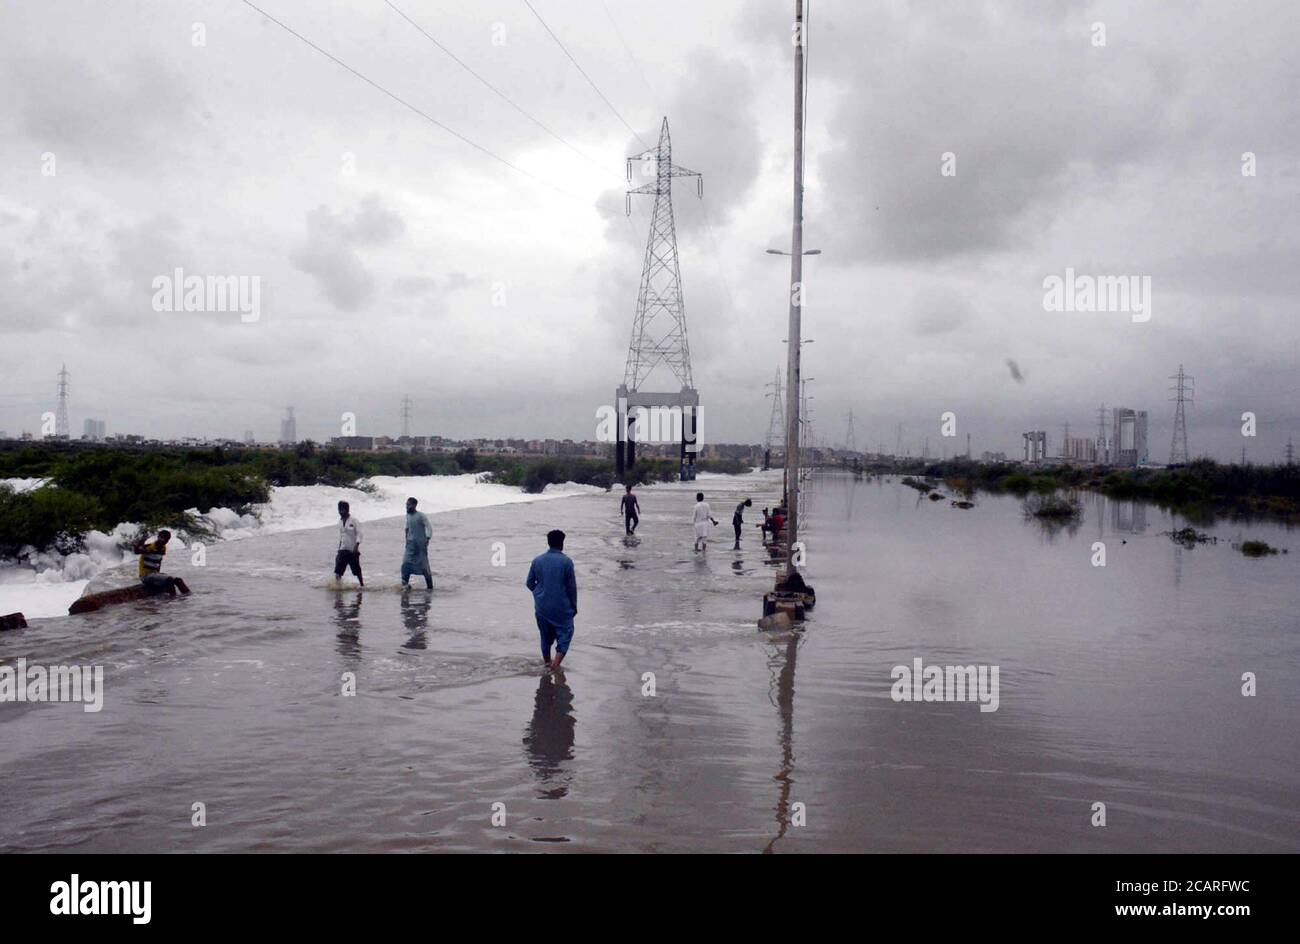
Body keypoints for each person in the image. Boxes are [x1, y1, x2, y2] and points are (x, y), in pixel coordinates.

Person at [525, 529, 578, 670]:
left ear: (548, 543)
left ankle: (547, 664)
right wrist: (574, 606)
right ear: (562, 543)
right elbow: (571, 588)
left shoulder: (537, 560)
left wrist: (539, 593)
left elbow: (529, 582)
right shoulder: (566, 562)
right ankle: (555, 665)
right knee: (566, 632)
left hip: (542, 606)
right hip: (561, 606)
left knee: (545, 636)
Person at [132, 530, 190, 596]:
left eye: (165, 539)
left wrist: (159, 576)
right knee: (169, 579)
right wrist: (137, 545)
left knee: (178, 580)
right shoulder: (149, 546)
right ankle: (173, 600)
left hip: (155, 574)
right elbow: (137, 551)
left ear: (167, 541)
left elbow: (157, 563)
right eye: (161, 538)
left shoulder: (163, 548)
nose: (163, 540)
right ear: (158, 537)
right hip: (145, 576)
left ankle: (188, 597)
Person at [401, 497, 433, 589]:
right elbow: (407, 528)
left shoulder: (421, 516)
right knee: (405, 564)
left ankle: (430, 588)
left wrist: (427, 538)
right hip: (410, 545)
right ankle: (405, 586)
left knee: (424, 567)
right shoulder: (408, 515)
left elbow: (429, 527)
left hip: (420, 546)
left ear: (414, 505)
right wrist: (406, 538)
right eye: (406, 505)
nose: (407, 507)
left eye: (409, 505)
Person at [333, 500, 364, 587]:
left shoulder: (354, 521)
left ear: (347, 510)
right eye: (339, 510)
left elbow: (359, 534)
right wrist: (339, 549)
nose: (340, 512)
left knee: (357, 571)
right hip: (342, 549)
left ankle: (362, 585)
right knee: (338, 571)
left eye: (342, 510)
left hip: (352, 550)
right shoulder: (339, 522)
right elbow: (341, 536)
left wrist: (356, 546)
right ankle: (338, 587)